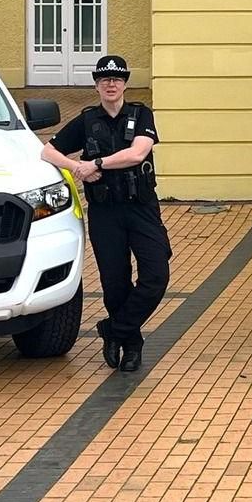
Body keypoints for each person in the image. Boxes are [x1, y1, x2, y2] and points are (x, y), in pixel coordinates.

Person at [43, 54, 168, 374]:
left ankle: (115, 329)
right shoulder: (87, 120)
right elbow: (47, 151)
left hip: (140, 207)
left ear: (125, 83)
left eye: (116, 79)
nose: (110, 84)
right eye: (104, 80)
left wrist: (97, 163)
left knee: (156, 276)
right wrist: (76, 168)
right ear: (97, 85)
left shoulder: (141, 114)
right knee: (115, 282)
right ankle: (131, 344)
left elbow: (138, 153)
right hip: (105, 212)